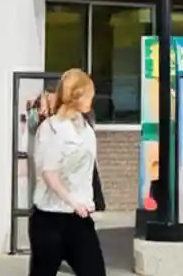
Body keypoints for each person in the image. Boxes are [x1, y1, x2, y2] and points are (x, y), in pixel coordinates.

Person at [29, 68, 106, 276]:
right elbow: (49, 173)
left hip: (79, 221)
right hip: (50, 219)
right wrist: (73, 201)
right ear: (77, 96)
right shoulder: (52, 129)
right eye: (89, 93)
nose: (92, 97)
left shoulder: (86, 126)